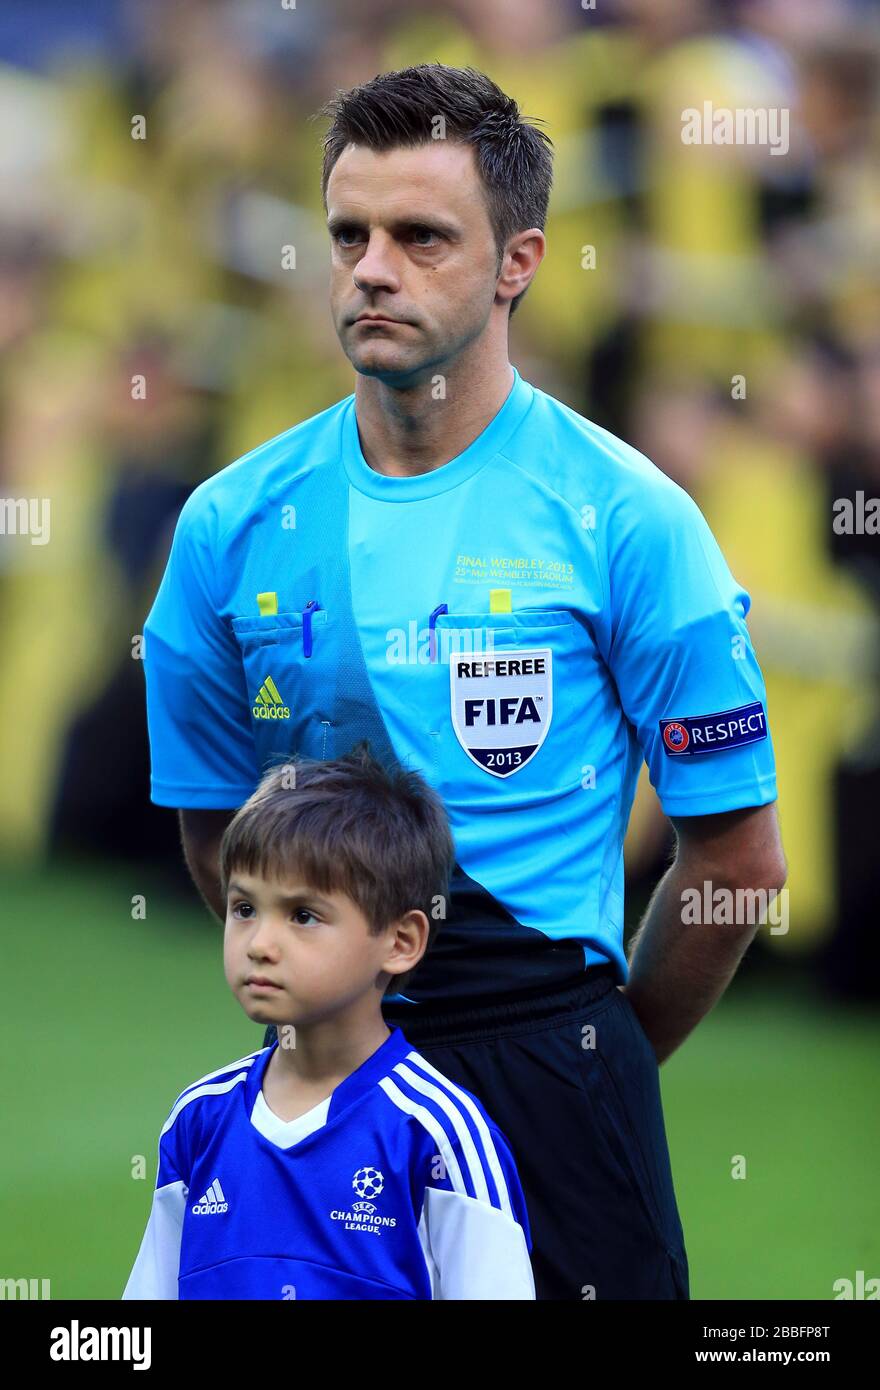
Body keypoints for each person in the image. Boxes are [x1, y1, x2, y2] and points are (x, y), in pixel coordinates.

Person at [141, 64, 786, 1299]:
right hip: (321, 1094)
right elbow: (216, 834)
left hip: (554, 1078)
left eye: (420, 236)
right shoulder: (228, 522)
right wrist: (326, 1009)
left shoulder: (629, 518)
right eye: (348, 235)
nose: (372, 268)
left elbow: (737, 860)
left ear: (517, 262)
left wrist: (594, 1054)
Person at [123, 747, 535, 1300]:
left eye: (303, 916)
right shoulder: (197, 1120)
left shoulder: (441, 1136)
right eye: (245, 908)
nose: (260, 945)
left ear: (401, 941)